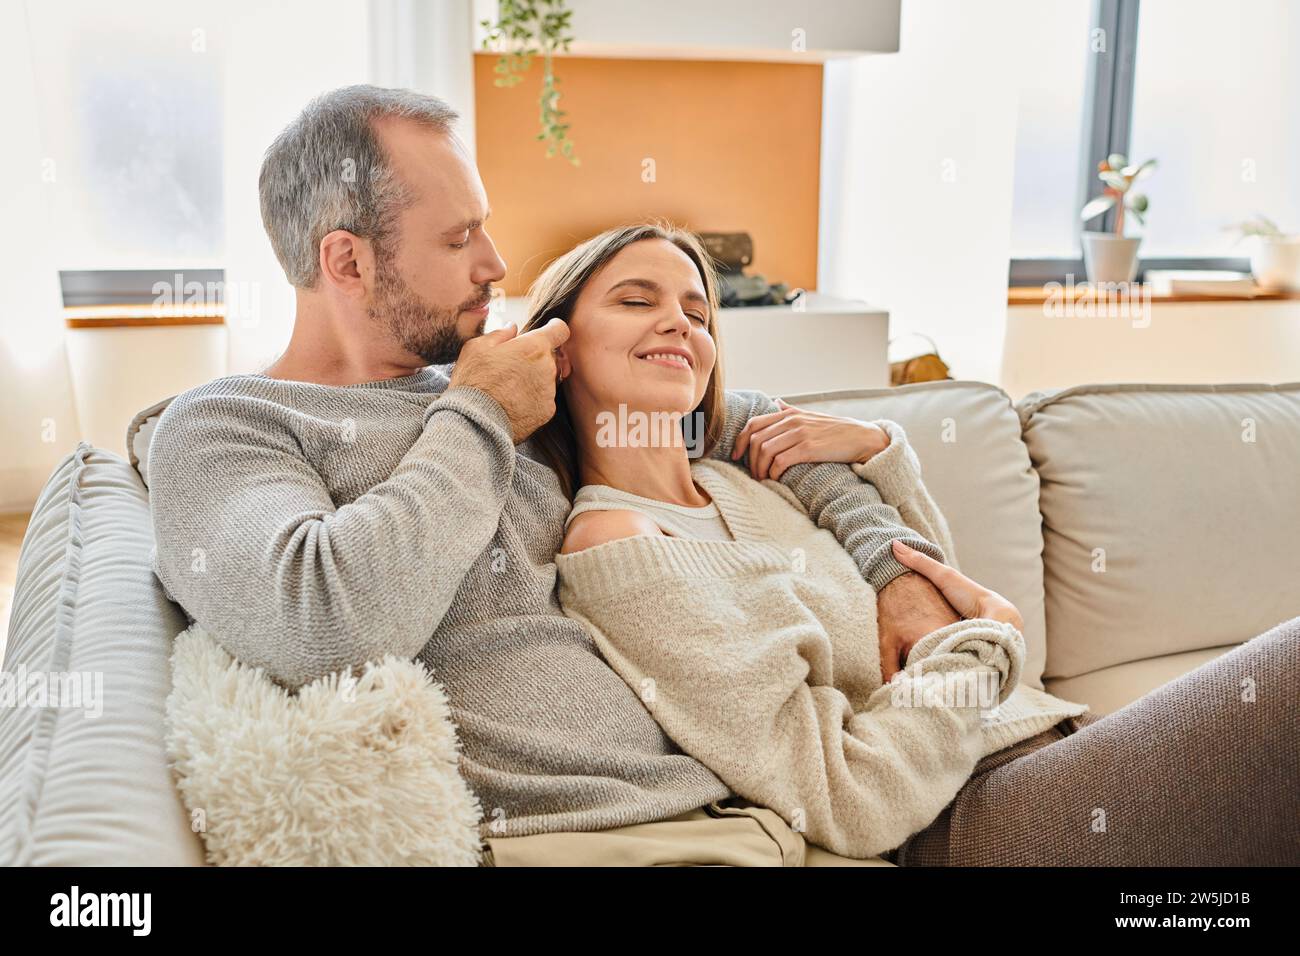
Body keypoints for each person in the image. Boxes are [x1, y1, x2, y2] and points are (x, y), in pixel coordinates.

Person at [145, 84, 977, 859]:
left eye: (485, 225)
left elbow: (747, 422)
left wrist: (888, 566)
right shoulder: (230, 427)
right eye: (457, 237)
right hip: (603, 837)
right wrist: (477, 417)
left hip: (756, 808)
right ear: (348, 262)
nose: (496, 264)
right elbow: (320, 623)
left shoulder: (506, 378)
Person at [479, 221, 1300, 867]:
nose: (679, 323)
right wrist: (989, 648)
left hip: (1045, 747)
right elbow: (846, 795)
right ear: (556, 344)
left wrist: (880, 452)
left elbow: (930, 589)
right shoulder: (619, 542)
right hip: (973, 821)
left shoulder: (750, 477)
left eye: (697, 311)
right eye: (636, 300)